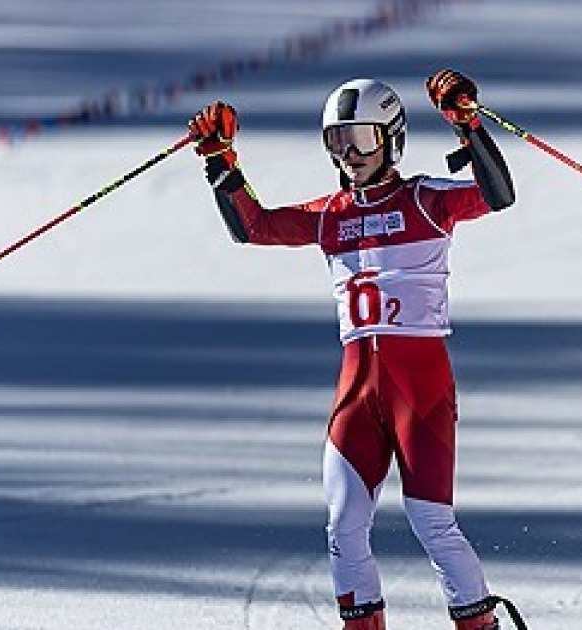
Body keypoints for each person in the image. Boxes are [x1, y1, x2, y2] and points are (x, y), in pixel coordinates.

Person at [188, 70, 523, 630]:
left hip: (420, 388)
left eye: (361, 139)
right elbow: (254, 228)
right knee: (343, 524)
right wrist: (222, 161)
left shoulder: (425, 199)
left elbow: (497, 195)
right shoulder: (330, 215)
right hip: (356, 393)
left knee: (432, 522)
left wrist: (470, 127)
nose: (348, 153)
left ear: (391, 137)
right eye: (335, 141)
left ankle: (479, 623)